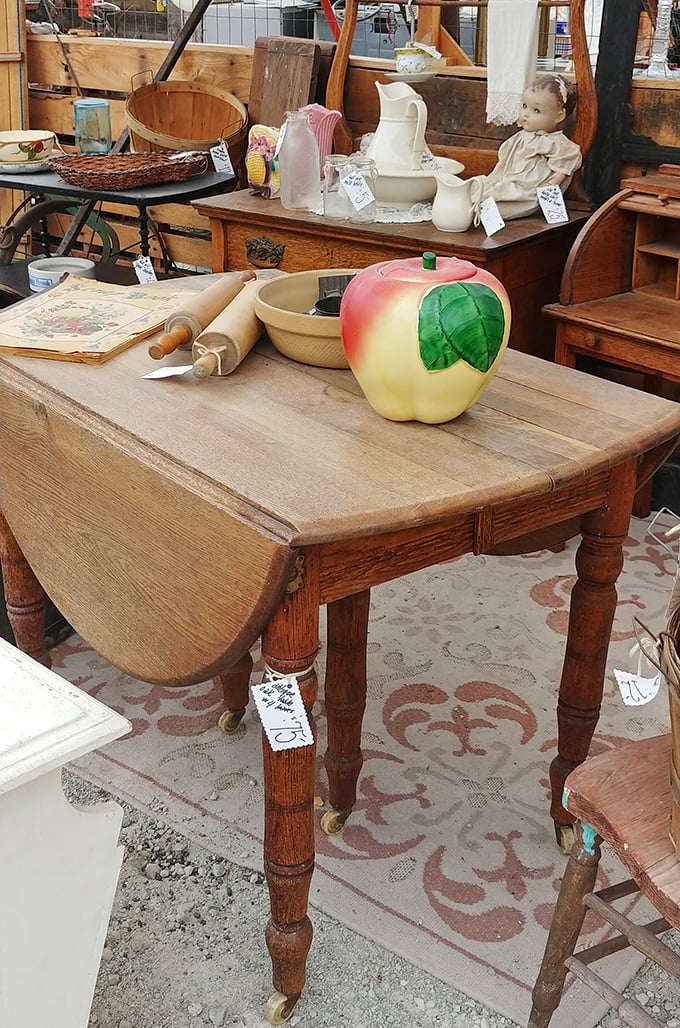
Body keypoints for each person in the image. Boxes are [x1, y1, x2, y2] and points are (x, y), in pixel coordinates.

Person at [469, 74, 582, 221]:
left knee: (496, 203)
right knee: (475, 187)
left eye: (536, 111)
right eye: (524, 106)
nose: (525, 114)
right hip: (505, 181)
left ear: (559, 117)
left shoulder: (556, 143)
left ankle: (479, 212)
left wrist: (550, 186)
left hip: (526, 191)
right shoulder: (522, 136)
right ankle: (469, 205)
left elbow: (563, 166)